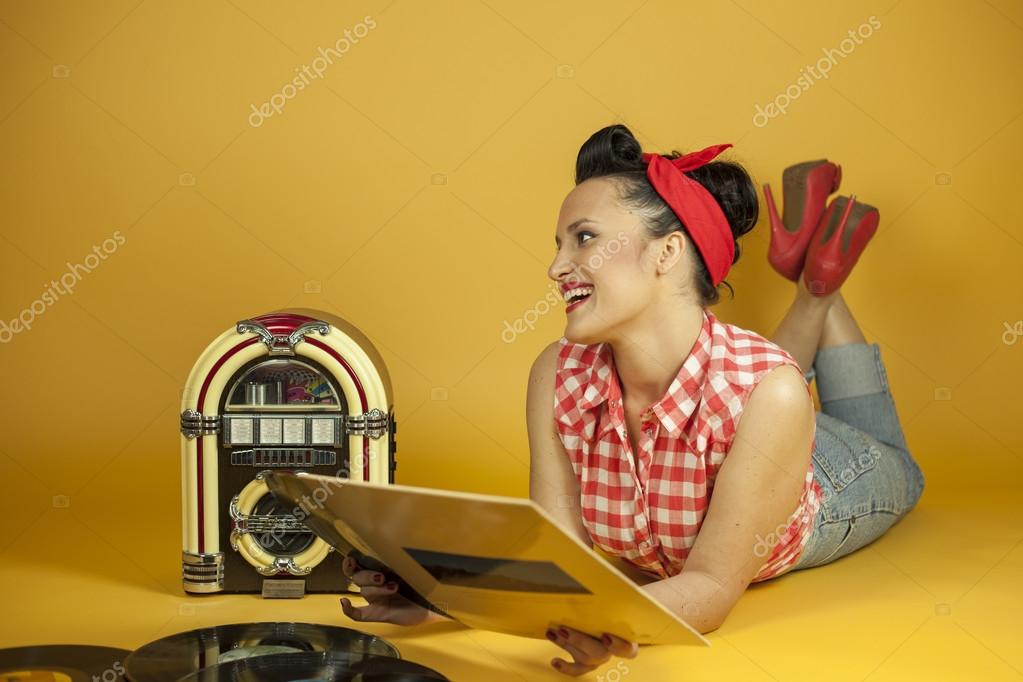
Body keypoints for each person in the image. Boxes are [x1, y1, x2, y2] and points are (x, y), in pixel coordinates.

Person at [340, 124, 926, 677]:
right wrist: (438, 598)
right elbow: (558, 563)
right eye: (559, 244)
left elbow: (710, 588)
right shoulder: (555, 375)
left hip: (828, 478)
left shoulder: (768, 394)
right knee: (770, 387)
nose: (555, 268)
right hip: (758, 423)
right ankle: (817, 284)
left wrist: (605, 623)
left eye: (584, 238)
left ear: (667, 253)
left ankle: (818, 293)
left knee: (900, 464)